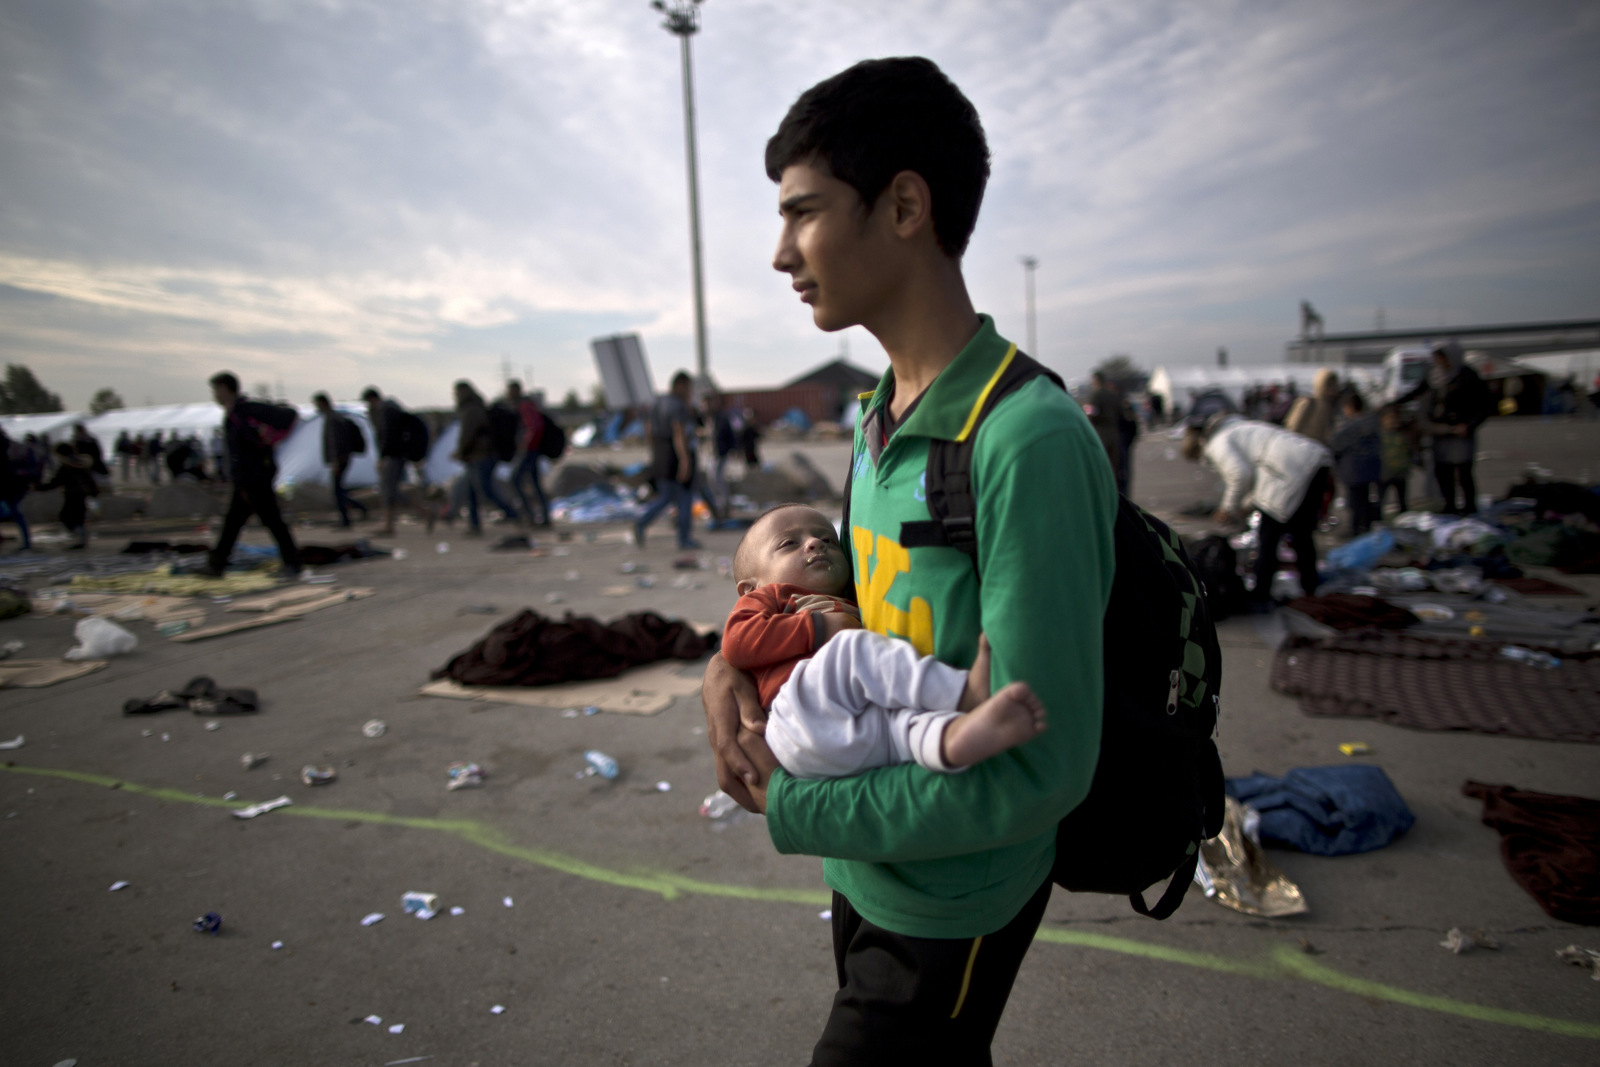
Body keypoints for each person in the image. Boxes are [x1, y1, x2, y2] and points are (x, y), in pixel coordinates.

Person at [701, 57, 1117, 1065]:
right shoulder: (876, 418)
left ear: (901, 206)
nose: (779, 252)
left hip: (952, 896)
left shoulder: (1028, 440)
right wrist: (726, 668)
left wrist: (793, 801)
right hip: (868, 864)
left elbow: (1038, 770)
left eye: (802, 213)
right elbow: (842, 612)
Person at [725, 503, 1046, 779]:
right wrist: (818, 625)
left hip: (834, 736)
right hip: (792, 716)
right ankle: (965, 694)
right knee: (852, 650)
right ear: (750, 588)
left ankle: (951, 742)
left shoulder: (852, 597)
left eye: (827, 539)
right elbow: (736, 643)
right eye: (789, 543)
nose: (814, 544)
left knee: (897, 725)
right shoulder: (770, 598)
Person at [1183, 413, 1331, 605]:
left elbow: (1240, 475)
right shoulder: (1236, 428)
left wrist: (1227, 508)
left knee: (1269, 538)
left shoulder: (1217, 443)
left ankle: (1261, 594)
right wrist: (1247, 506)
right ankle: (1310, 588)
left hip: (1287, 472)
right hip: (1311, 460)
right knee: (1301, 534)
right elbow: (1255, 472)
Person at [201, 372, 302, 579]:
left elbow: (288, 416)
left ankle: (292, 563)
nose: (215, 395)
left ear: (225, 389)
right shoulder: (235, 414)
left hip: (255, 478)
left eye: (216, 390)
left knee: (272, 521)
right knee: (233, 523)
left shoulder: (245, 411)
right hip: (246, 479)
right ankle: (216, 564)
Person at [1413, 340, 1492, 515]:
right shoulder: (1433, 375)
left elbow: (1484, 406)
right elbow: (1418, 391)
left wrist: (1469, 425)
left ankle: (1469, 506)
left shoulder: (1468, 376)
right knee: (1443, 472)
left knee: (1463, 472)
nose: (1440, 363)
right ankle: (1449, 505)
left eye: (1443, 358)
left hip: (1461, 431)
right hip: (1440, 431)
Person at [634, 371, 700, 550]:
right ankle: (684, 539)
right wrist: (685, 460)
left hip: (660, 455)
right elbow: (679, 433)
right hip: (675, 457)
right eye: (688, 388)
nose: (690, 392)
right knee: (684, 498)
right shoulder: (677, 406)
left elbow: (648, 430)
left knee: (666, 497)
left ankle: (642, 521)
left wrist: (654, 454)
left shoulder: (657, 403)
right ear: (680, 385)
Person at [451, 380, 518, 537]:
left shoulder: (471, 409)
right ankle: (474, 525)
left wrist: (461, 452)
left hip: (481, 455)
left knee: (485, 491)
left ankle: (513, 514)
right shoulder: (477, 406)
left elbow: (468, 434)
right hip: (478, 455)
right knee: (472, 492)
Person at [314, 393, 369, 528]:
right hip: (343, 457)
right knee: (339, 489)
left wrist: (335, 461)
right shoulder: (336, 417)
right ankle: (359, 509)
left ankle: (346, 519)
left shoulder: (332, 420)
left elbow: (334, 442)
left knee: (337, 491)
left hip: (340, 459)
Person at [1330, 392, 1381, 536]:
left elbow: (1336, 445)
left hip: (1353, 469)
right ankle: (1367, 526)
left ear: (1349, 407)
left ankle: (1355, 528)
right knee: (1366, 499)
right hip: (1371, 468)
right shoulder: (1373, 422)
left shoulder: (1350, 427)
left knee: (1354, 502)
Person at [504, 380, 551, 527]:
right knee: (534, 483)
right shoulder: (524, 405)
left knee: (515, 480)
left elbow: (533, 427)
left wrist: (526, 445)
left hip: (529, 450)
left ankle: (531, 515)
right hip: (531, 449)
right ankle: (542, 517)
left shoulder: (524, 405)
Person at [37, 442, 98, 549]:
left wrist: (39, 487)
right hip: (83, 494)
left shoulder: (66, 466)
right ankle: (82, 540)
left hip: (71, 494)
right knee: (78, 518)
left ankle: (81, 538)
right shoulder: (81, 463)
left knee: (65, 517)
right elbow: (90, 480)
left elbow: (56, 482)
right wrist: (94, 493)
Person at [1084, 371, 1126, 493]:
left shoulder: (1095, 395)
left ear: (1096, 381)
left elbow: (1090, 413)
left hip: (1100, 433)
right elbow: (1122, 414)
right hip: (1114, 433)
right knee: (1113, 469)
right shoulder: (1113, 395)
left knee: (1100, 467)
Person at [1284, 368, 1340, 446]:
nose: (1332, 390)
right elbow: (1293, 428)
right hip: (1302, 448)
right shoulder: (1308, 402)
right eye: (1329, 385)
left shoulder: (1330, 407)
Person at [1377, 403, 1415, 516]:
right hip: (1384, 473)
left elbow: (1409, 450)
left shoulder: (1403, 435)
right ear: (1382, 420)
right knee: (1380, 499)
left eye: (1395, 419)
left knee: (1402, 499)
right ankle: (1377, 519)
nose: (1393, 422)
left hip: (1400, 472)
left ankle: (1404, 518)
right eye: (1389, 419)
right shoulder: (1379, 436)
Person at [0, 429, 33, 551]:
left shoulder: (7, 446)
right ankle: (26, 542)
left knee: (15, 513)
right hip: (15, 485)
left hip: (9, 485)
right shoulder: (12, 445)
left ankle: (26, 543)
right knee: (16, 514)